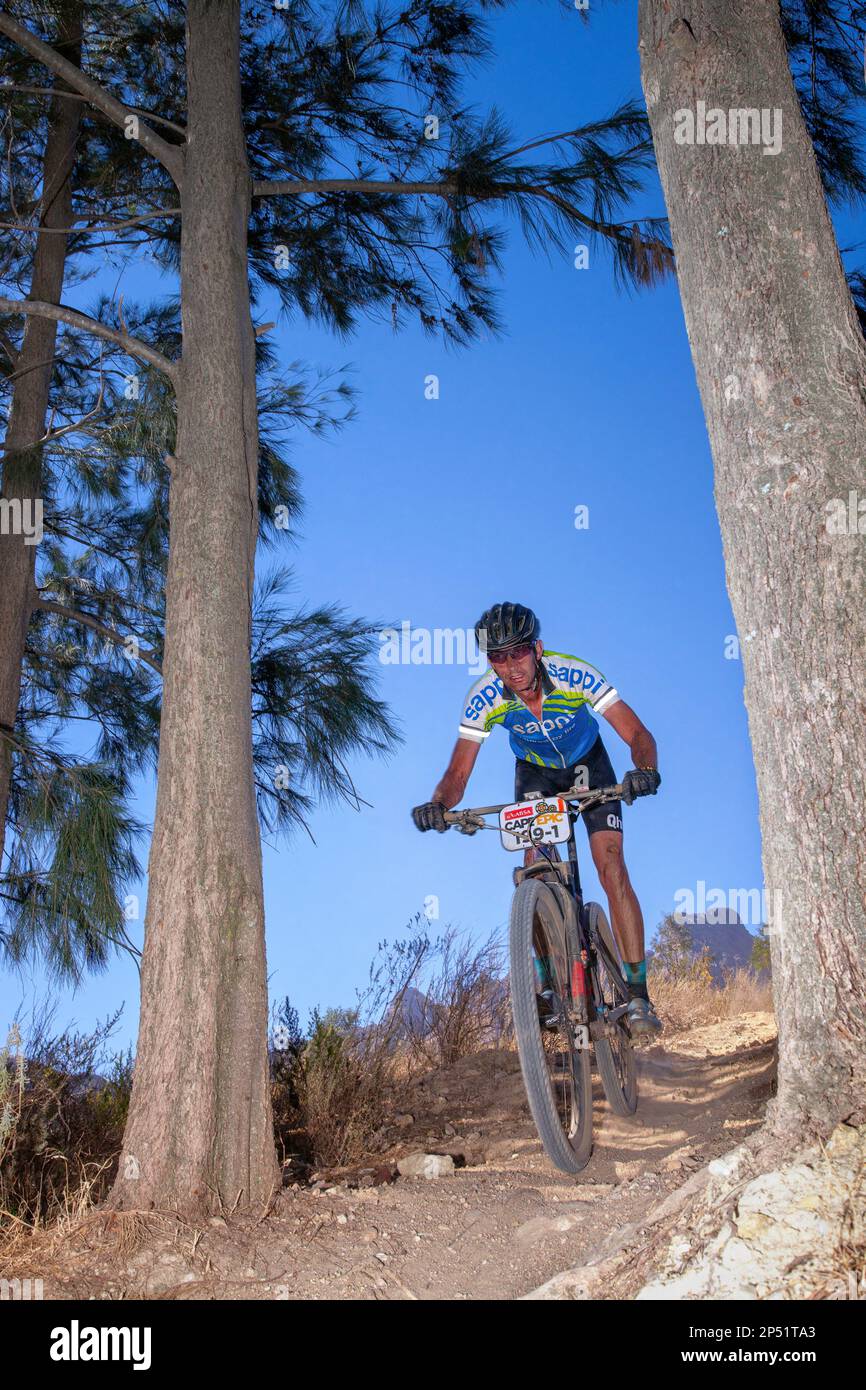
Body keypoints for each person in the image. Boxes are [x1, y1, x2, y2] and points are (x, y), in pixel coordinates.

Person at [411, 602, 663, 1040]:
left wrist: (643, 770)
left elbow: (638, 734)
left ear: (538, 649)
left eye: (518, 653)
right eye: (498, 657)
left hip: (590, 765)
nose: (510, 666)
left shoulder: (574, 675)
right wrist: (438, 803)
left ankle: (638, 991)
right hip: (535, 775)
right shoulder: (484, 698)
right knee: (535, 873)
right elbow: (457, 774)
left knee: (610, 865)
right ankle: (548, 984)